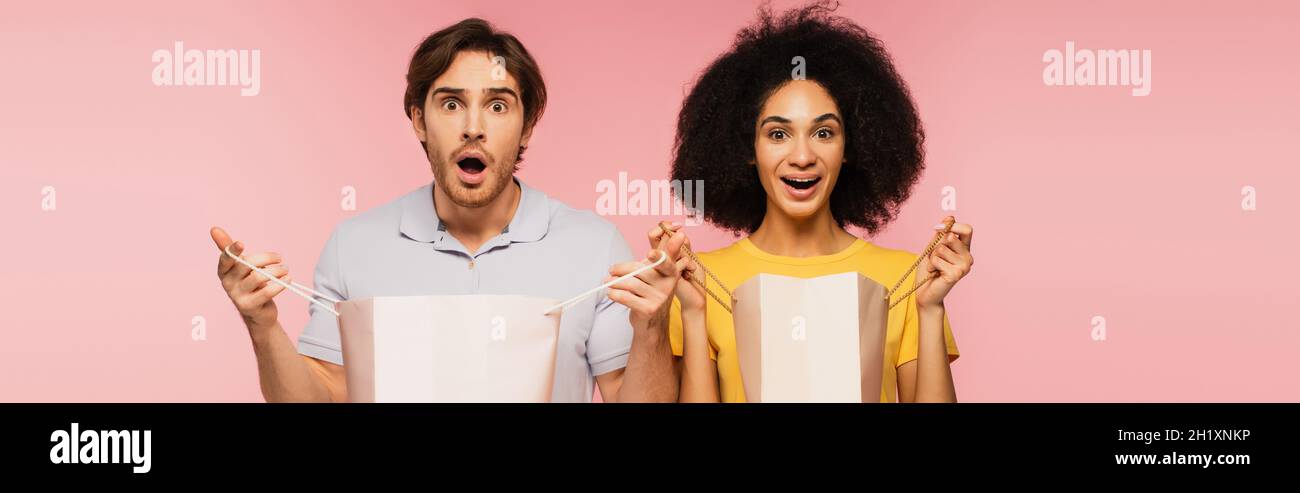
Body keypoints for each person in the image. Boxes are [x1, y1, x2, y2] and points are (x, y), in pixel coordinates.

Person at [210, 18, 682, 403]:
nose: (473, 127)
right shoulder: (354, 246)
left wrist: (654, 325)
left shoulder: (595, 246)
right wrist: (264, 325)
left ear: (527, 126)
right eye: (452, 103)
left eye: (498, 106)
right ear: (419, 119)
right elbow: (323, 396)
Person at [660, 2, 975, 403]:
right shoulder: (701, 282)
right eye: (778, 135)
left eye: (824, 133)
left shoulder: (906, 278)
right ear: (748, 149)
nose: (803, 156)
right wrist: (692, 313)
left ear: (850, 145)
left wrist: (930, 309)